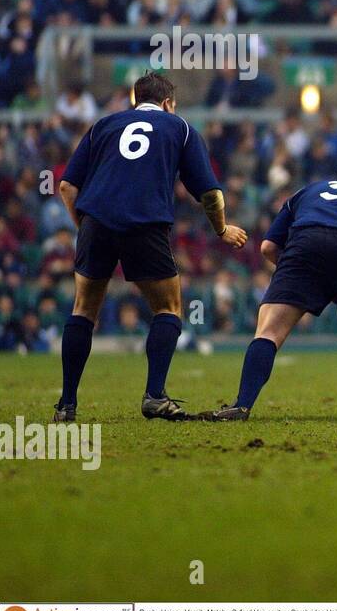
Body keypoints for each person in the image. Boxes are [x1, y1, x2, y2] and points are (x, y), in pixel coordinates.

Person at [55, 71, 247, 422]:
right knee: (168, 308)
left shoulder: (103, 125)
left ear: (135, 100)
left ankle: (67, 405)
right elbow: (210, 193)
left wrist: (84, 227)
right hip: (145, 224)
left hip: (96, 222)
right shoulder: (180, 128)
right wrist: (221, 230)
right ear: (168, 103)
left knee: (83, 310)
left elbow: (67, 186)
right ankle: (154, 395)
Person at [204, 177, 337, 420]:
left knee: (268, 332)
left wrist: (303, 280)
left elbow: (268, 247)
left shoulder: (303, 193)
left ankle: (241, 405)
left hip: (305, 245)